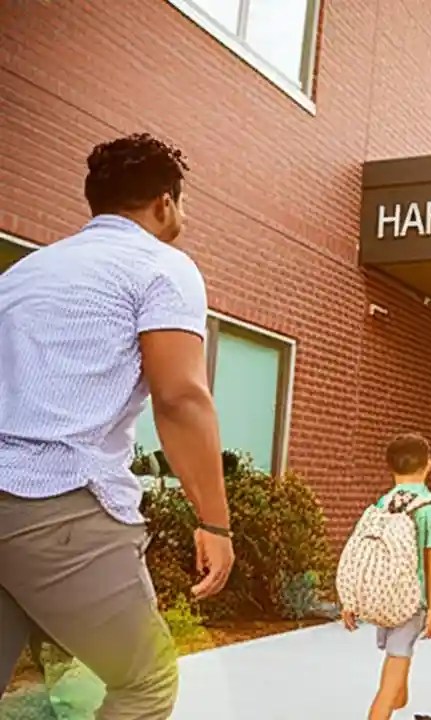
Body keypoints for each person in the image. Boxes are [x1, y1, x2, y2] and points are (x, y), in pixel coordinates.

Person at [0, 133, 234, 717]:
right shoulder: (160, 265)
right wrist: (215, 523)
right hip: (57, 503)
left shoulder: (25, 274)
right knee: (144, 682)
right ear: (165, 203)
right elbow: (180, 396)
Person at [341, 433, 431, 720]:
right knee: (389, 688)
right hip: (409, 601)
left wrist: (350, 600)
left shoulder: (381, 504)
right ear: (429, 465)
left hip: (379, 597)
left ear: (390, 467)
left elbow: (360, 554)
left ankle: (396, 699)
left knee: (399, 691)